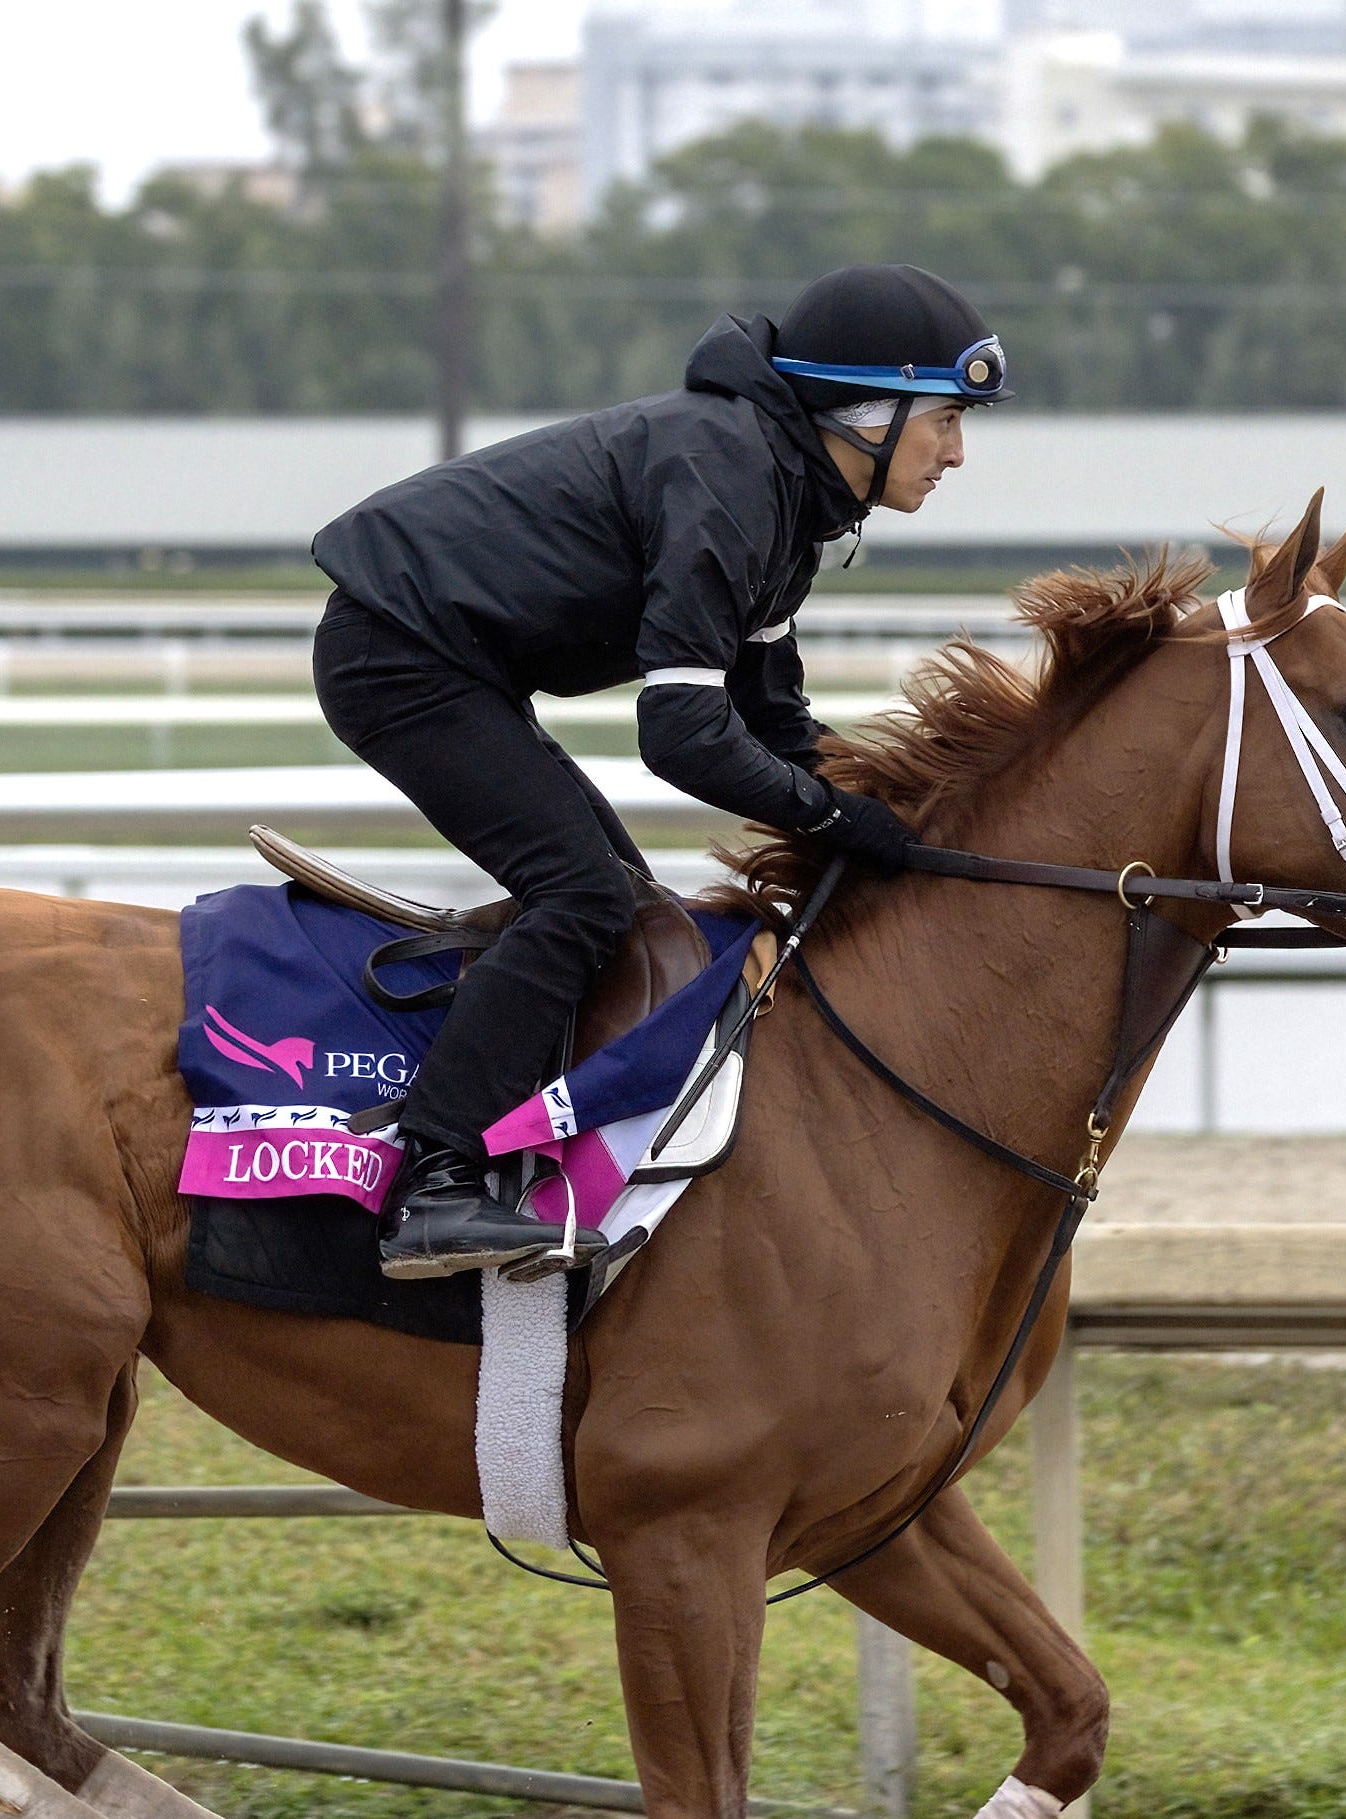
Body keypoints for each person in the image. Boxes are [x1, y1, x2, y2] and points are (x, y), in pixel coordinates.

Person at [310, 263, 1009, 1279]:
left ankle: (521, 1148)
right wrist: (828, 817)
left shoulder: (786, 497)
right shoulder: (731, 474)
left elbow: (768, 719)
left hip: (454, 660)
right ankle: (432, 1184)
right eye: (943, 419)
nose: (955, 452)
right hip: (399, 654)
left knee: (631, 910)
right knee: (583, 896)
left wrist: (888, 811)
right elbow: (680, 734)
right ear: (864, 413)